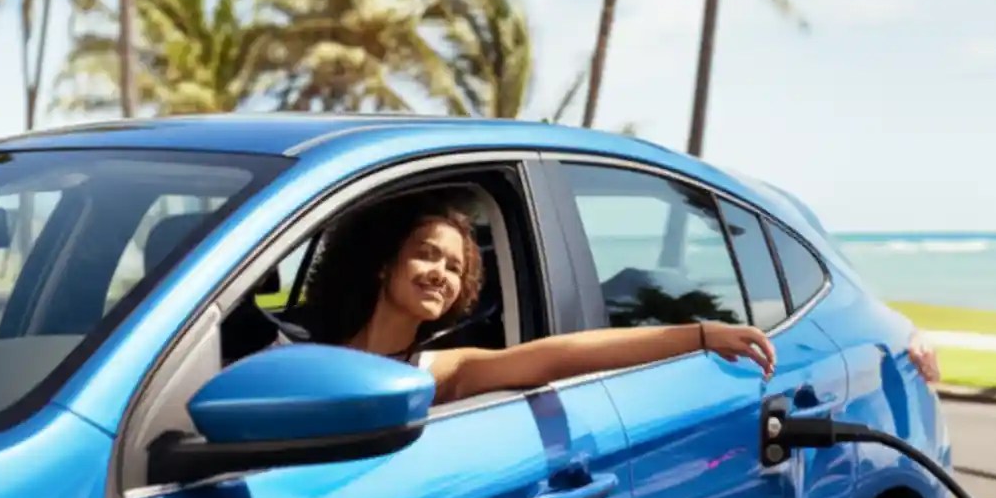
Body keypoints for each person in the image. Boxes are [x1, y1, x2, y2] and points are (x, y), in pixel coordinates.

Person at [300, 190, 776, 405]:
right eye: (427, 255)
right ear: (386, 263)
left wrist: (698, 334)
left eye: (454, 268)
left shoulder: (438, 371)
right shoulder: (307, 358)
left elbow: (560, 356)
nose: (440, 275)